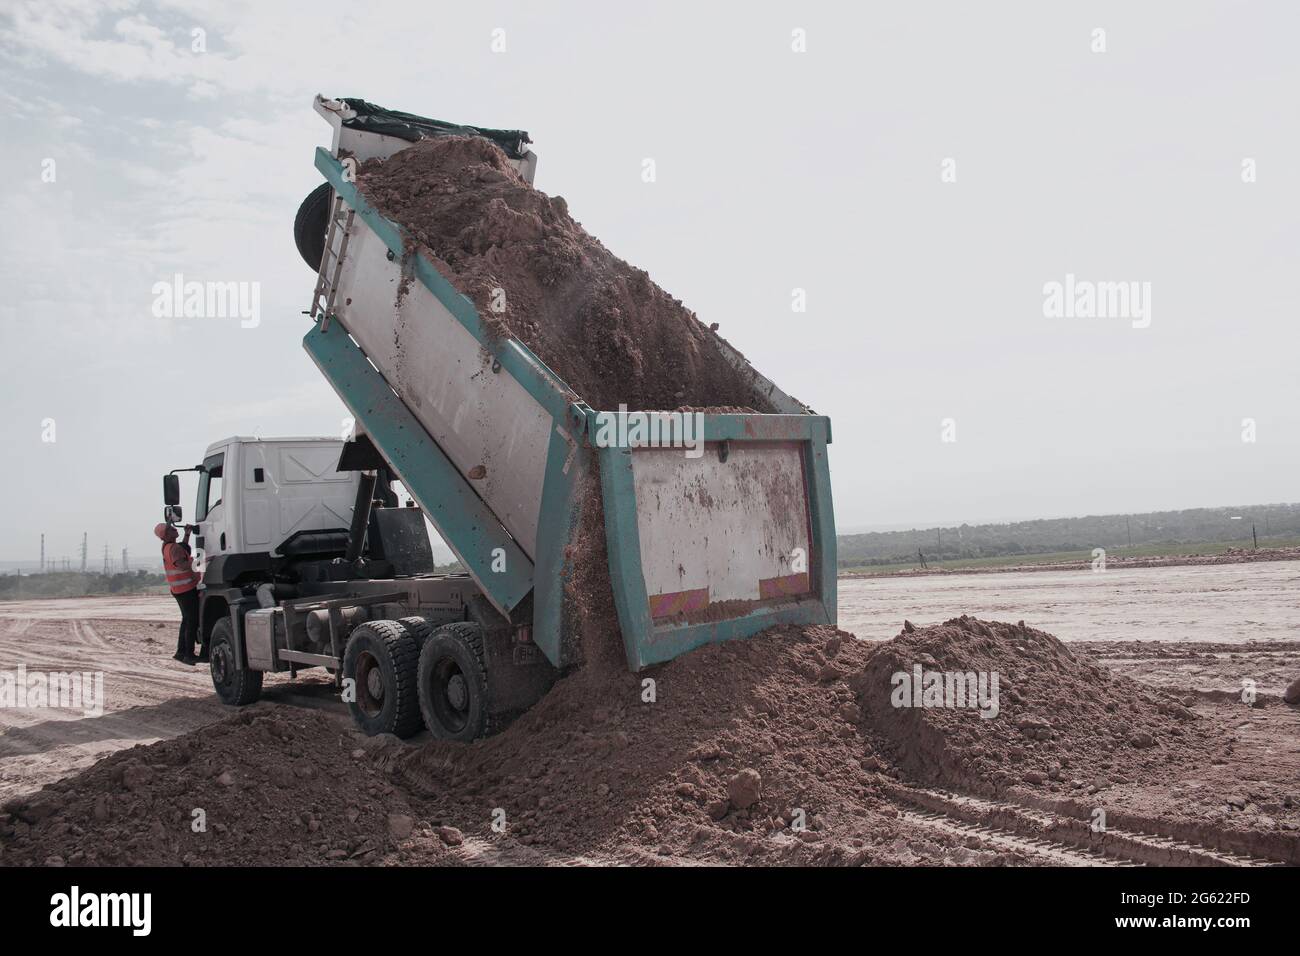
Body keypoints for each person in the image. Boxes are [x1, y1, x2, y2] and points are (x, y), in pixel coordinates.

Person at [156, 522, 202, 665]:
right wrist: (199, 562)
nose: (175, 529)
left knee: (186, 620)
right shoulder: (174, 548)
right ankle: (189, 654)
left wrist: (187, 534)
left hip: (179, 590)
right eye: (171, 529)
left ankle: (181, 652)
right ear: (166, 535)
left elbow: (182, 547)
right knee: (192, 621)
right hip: (186, 589)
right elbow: (182, 565)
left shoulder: (168, 546)